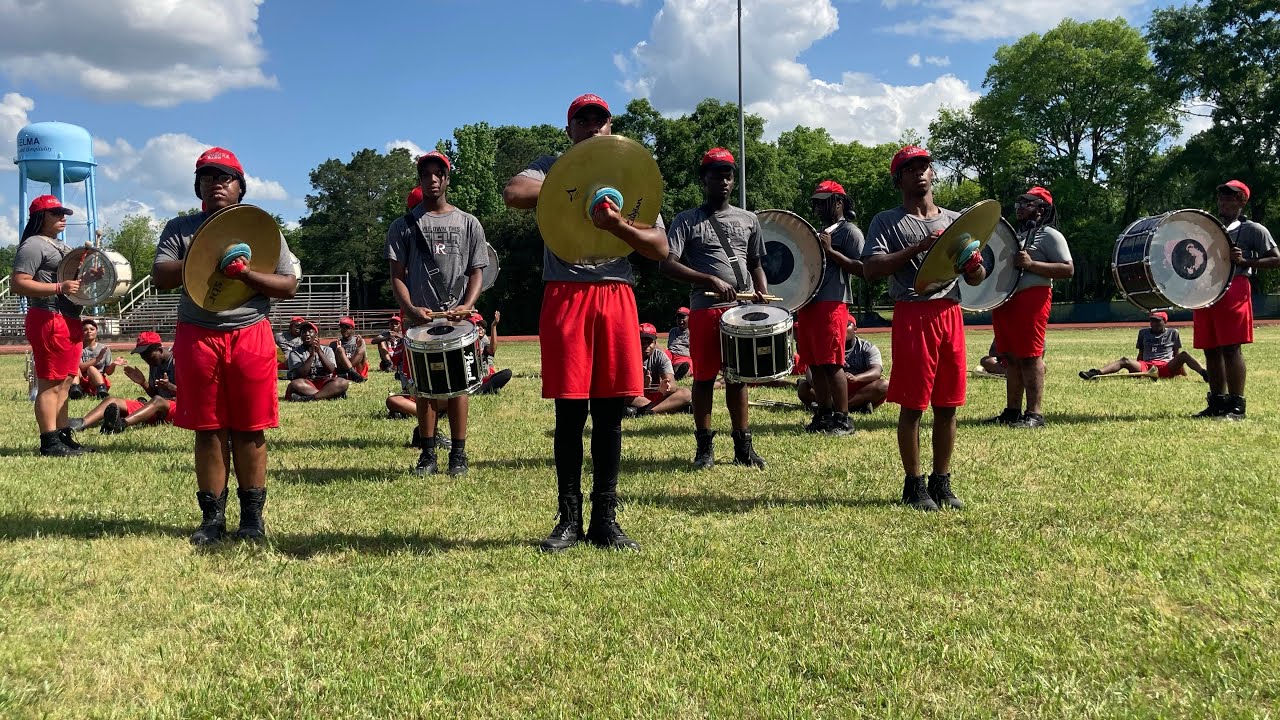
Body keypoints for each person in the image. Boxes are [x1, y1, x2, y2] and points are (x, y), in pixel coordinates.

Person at [503, 92, 669, 552]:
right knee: (570, 414)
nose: (593, 127)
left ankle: (605, 520)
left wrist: (618, 226)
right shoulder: (551, 165)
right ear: (570, 129)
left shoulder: (631, 168)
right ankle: (568, 519)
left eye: (600, 120)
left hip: (616, 294)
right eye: (583, 120)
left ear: (610, 126)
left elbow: (658, 246)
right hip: (566, 294)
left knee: (612, 414)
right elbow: (514, 192)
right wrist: (576, 186)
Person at [152, 147, 298, 545]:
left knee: (251, 429)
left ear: (240, 187)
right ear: (198, 185)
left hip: (250, 331)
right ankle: (212, 519)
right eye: (208, 176)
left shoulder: (261, 228)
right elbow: (160, 275)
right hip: (198, 333)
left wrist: (246, 272)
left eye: (225, 177)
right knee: (209, 428)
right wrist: (205, 257)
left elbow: (288, 284)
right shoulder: (180, 228)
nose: (217, 183)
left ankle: (252, 518)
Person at [861, 145, 986, 511]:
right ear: (898, 179)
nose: (919, 173)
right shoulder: (887, 221)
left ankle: (942, 481)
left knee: (948, 404)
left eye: (924, 166)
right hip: (913, 313)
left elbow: (978, 278)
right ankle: (914, 484)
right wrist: (920, 247)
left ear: (933, 174)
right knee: (913, 405)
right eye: (910, 168)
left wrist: (973, 265)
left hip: (950, 312)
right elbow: (871, 269)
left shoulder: (955, 219)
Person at [662, 147, 769, 470]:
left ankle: (743, 447)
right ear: (703, 179)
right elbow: (667, 264)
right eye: (715, 174)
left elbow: (755, 263)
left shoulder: (749, 219)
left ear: (733, 180)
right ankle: (705, 447)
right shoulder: (686, 220)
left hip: (742, 309)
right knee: (705, 378)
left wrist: (762, 288)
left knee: (738, 378)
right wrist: (708, 277)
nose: (722, 180)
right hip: (706, 308)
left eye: (728, 174)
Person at [386, 150, 488, 477]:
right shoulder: (403, 226)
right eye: (425, 174)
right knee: (424, 388)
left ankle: (458, 454)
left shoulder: (468, 222)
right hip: (419, 320)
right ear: (419, 179)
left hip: (457, 317)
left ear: (447, 178)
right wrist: (411, 310)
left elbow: (477, 271)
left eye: (438, 174)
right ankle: (427, 454)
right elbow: (397, 275)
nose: (432, 179)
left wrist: (467, 306)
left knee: (458, 385)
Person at [1191, 180, 1279, 419]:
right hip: (1205, 290)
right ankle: (1217, 401)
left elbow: (1275, 259)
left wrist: (1246, 262)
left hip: (1234, 287)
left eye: (1231, 197)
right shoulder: (1208, 227)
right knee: (1210, 348)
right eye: (1221, 197)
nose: (1224, 201)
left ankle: (1236, 404)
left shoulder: (1253, 229)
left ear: (1242, 201)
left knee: (1231, 348)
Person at [11, 194, 91, 456]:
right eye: (55, 212)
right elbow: (18, 283)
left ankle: (62, 435)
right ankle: (49, 441)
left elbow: (73, 283)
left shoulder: (61, 246)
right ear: (40, 217)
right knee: (50, 383)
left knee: (66, 382)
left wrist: (90, 276)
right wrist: (59, 287)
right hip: (48, 317)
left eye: (63, 212)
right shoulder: (33, 245)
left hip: (68, 318)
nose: (63, 217)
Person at [988, 186, 1074, 428]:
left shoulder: (1050, 235)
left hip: (1032, 297)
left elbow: (1068, 269)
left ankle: (1035, 414)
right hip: (1007, 299)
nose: (1020, 208)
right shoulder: (1017, 234)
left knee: (1030, 356)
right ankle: (1012, 411)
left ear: (1042, 209)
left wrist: (1032, 264)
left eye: (1028, 203)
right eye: (1019, 203)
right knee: (1011, 357)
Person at [799, 180, 865, 435]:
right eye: (814, 202)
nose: (816, 207)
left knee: (832, 362)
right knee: (815, 363)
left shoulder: (849, 232)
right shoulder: (818, 231)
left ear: (838, 202)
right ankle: (824, 412)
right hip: (809, 302)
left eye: (821, 202)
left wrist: (831, 252)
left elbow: (862, 268)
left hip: (832, 302)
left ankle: (843, 417)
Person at [70, 331, 178, 433]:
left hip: (181, 409)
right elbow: (155, 394)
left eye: (148, 355)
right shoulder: (154, 363)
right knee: (111, 400)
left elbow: (193, 397)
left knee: (157, 400)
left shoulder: (178, 362)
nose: (146, 359)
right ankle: (82, 423)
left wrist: (170, 387)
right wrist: (143, 382)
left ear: (159, 350)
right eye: (142, 356)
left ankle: (121, 424)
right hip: (159, 407)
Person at [1080, 312, 1208, 381]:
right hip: (1146, 365)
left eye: (1157, 321)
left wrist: (1180, 372)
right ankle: (1095, 373)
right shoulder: (1143, 333)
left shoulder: (1173, 333)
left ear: (1164, 322)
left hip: (1165, 366)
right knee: (1125, 360)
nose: (1154, 323)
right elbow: (1141, 353)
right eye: (1152, 320)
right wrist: (1136, 368)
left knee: (1184, 355)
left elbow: (1176, 354)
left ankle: (1205, 374)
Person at [797, 318, 887, 416]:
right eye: (838, 325)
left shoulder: (867, 347)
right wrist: (819, 385)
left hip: (859, 388)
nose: (841, 328)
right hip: (831, 388)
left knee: (884, 385)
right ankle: (856, 407)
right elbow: (811, 371)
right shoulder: (825, 347)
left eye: (846, 325)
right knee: (804, 388)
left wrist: (856, 378)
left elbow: (876, 371)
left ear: (855, 329)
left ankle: (835, 408)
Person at [627, 323, 692, 416]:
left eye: (649, 343)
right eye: (642, 343)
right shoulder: (629, 357)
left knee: (686, 393)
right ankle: (670, 408)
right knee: (625, 398)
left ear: (655, 342)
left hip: (657, 395)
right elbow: (624, 390)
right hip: (636, 397)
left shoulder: (660, 356)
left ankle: (647, 411)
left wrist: (666, 387)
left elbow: (672, 385)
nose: (646, 346)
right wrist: (640, 385)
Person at [285, 321, 350, 401]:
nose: (307, 334)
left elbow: (331, 370)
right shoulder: (295, 353)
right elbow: (300, 374)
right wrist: (311, 356)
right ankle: (330, 395)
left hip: (325, 383)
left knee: (342, 382)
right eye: (304, 332)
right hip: (307, 384)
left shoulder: (327, 350)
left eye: (310, 331)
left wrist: (319, 352)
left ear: (316, 335)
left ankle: (309, 398)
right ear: (301, 336)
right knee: (295, 384)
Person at [75, 318, 123, 400]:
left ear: (96, 331)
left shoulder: (104, 349)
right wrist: (97, 359)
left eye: (92, 329)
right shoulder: (78, 347)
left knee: (91, 369)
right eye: (85, 330)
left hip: (97, 380)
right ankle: (75, 389)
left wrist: (114, 364)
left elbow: (108, 372)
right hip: (82, 379)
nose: (89, 331)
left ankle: (101, 389)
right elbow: (81, 367)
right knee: (75, 368)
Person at [475, 311, 513, 395]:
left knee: (506, 373)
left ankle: (482, 390)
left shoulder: (484, 341)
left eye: (482, 326)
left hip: (486, 378)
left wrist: (493, 326)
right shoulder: (466, 343)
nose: (481, 328)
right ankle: (489, 389)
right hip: (472, 380)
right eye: (477, 325)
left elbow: (492, 349)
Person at [330, 316, 369, 382]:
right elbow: (332, 363)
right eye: (342, 327)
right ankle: (353, 374)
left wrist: (359, 346)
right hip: (342, 370)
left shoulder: (358, 341)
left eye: (347, 327)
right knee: (340, 350)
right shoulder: (334, 343)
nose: (344, 329)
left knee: (360, 349)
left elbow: (364, 359)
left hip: (357, 368)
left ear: (352, 329)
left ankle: (351, 373)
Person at [666, 307, 692, 380]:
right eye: (678, 318)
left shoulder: (693, 331)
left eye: (683, 318)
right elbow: (669, 345)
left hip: (682, 356)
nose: (681, 321)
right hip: (670, 353)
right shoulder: (673, 331)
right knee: (658, 351)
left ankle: (679, 373)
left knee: (680, 365)